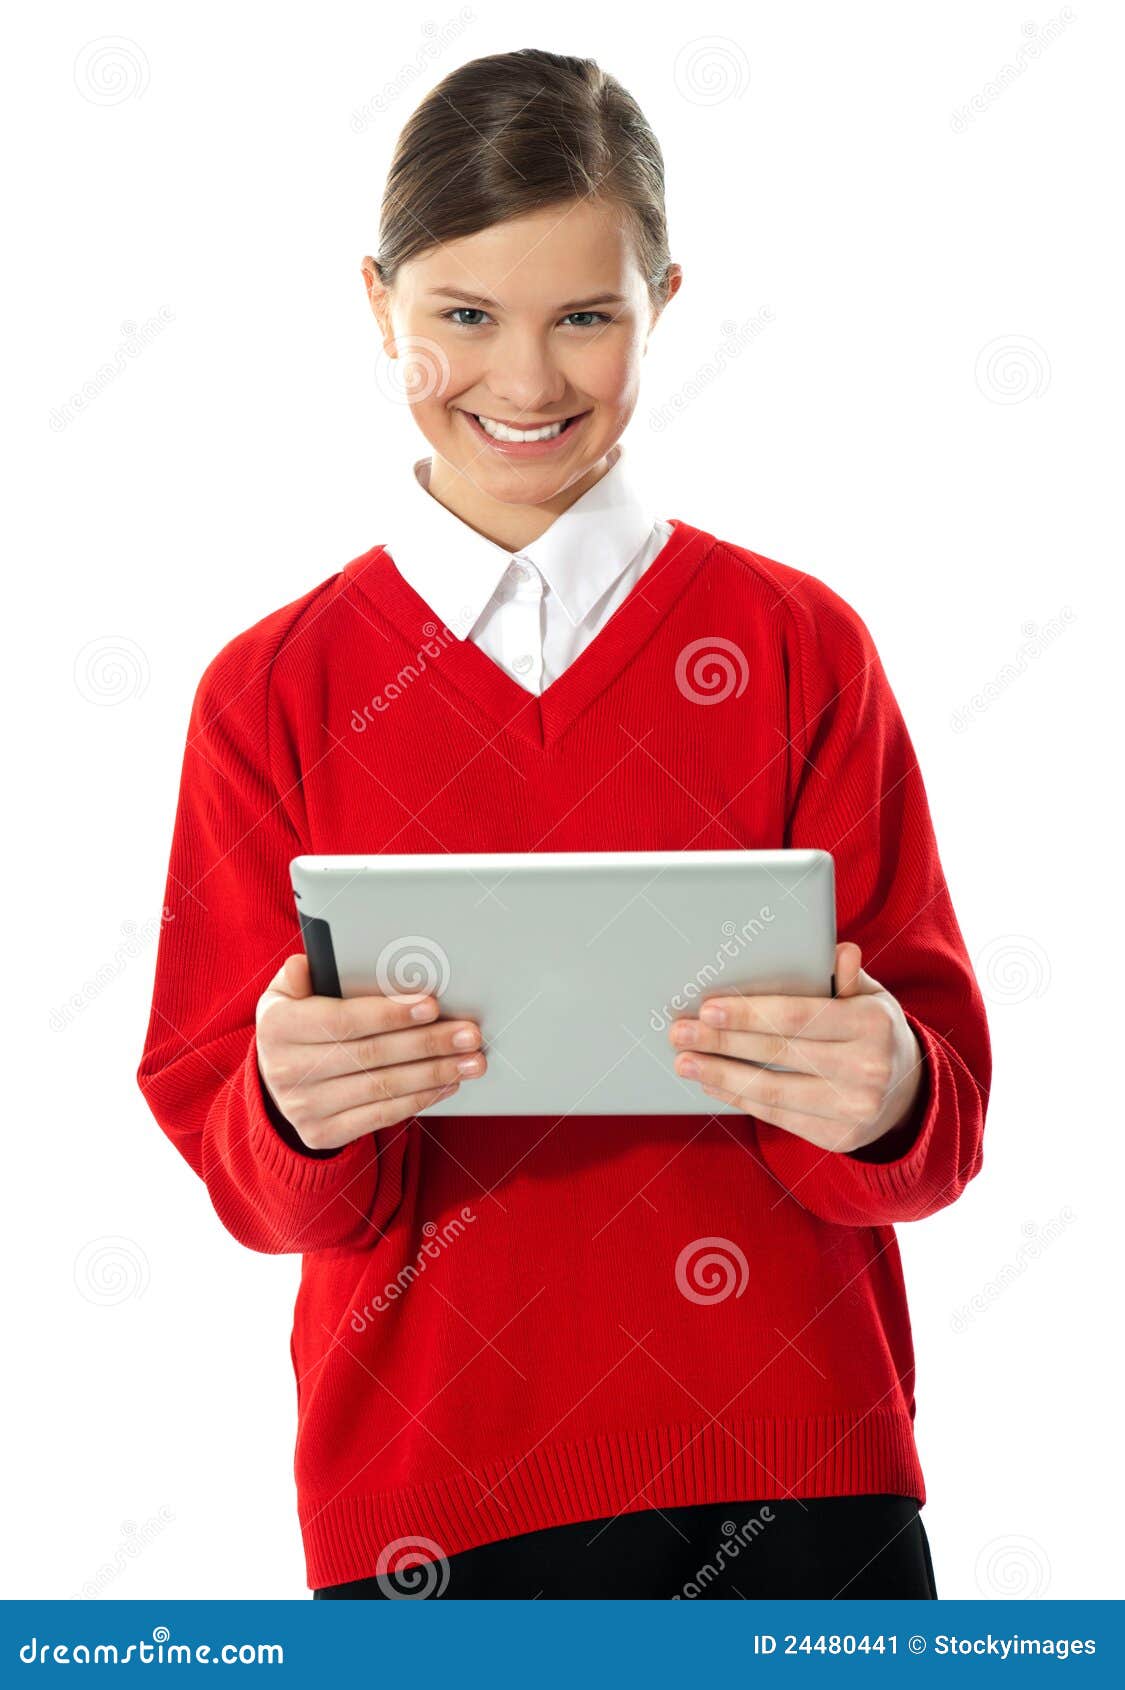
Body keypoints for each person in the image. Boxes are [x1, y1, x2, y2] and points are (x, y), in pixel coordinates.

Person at [136, 47, 990, 1600]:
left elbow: (932, 1121)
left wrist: (886, 1085)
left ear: (661, 301)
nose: (525, 384)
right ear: (378, 305)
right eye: (464, 317)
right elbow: (245, 1166)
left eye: (585, 317)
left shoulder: (797, 647)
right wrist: (291, 1106)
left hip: (803, 1476)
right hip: (428, 1499)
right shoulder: (270, 691)